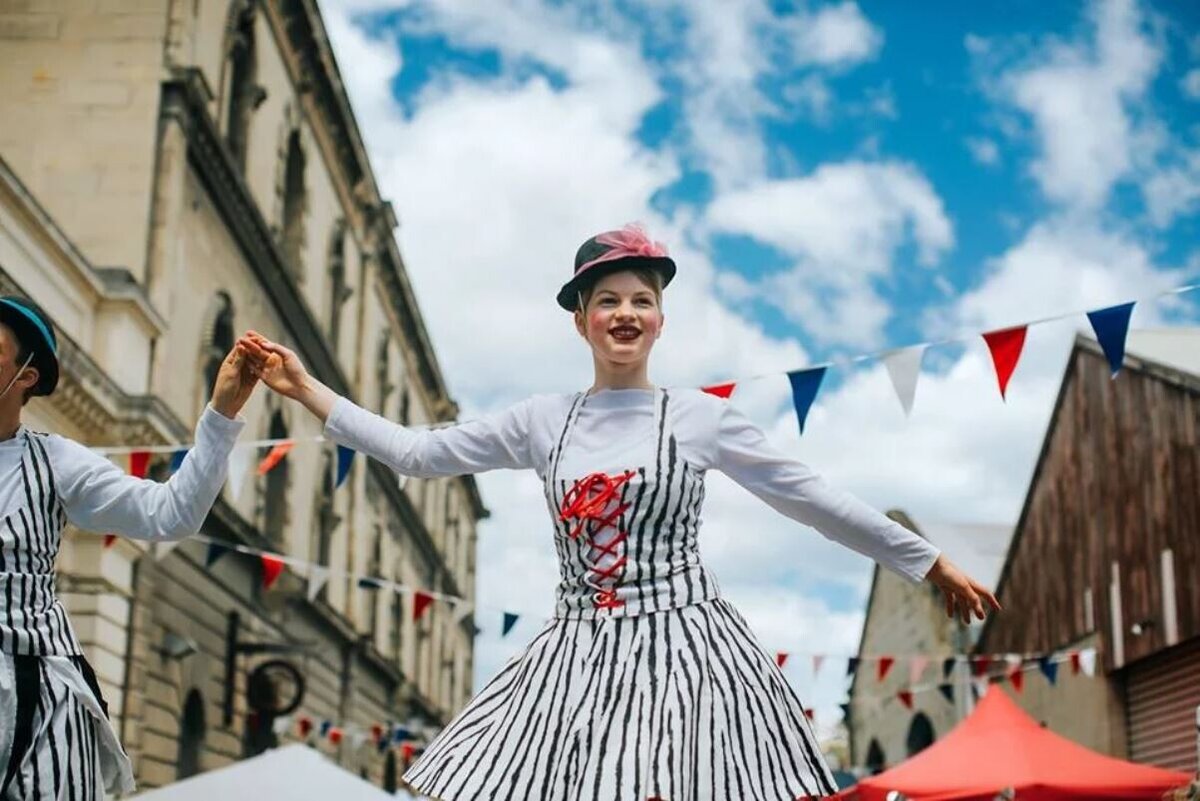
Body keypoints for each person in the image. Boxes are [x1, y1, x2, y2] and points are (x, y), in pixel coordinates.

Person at [239, 224, 1000, 800]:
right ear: (582, 319)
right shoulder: (544, 420)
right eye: (608, 300)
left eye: (643, 300)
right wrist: (310, 391)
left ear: (661, 320)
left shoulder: (701, 418)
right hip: (576, 654)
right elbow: (415, 452)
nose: (626, 313)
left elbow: (810, 497)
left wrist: (927, 560)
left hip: (687, 649)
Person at [0, 296, 258, 799]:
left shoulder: (54, 462)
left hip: (39, 704)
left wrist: (222, 413)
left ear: (26, 376)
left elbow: (172, 513)